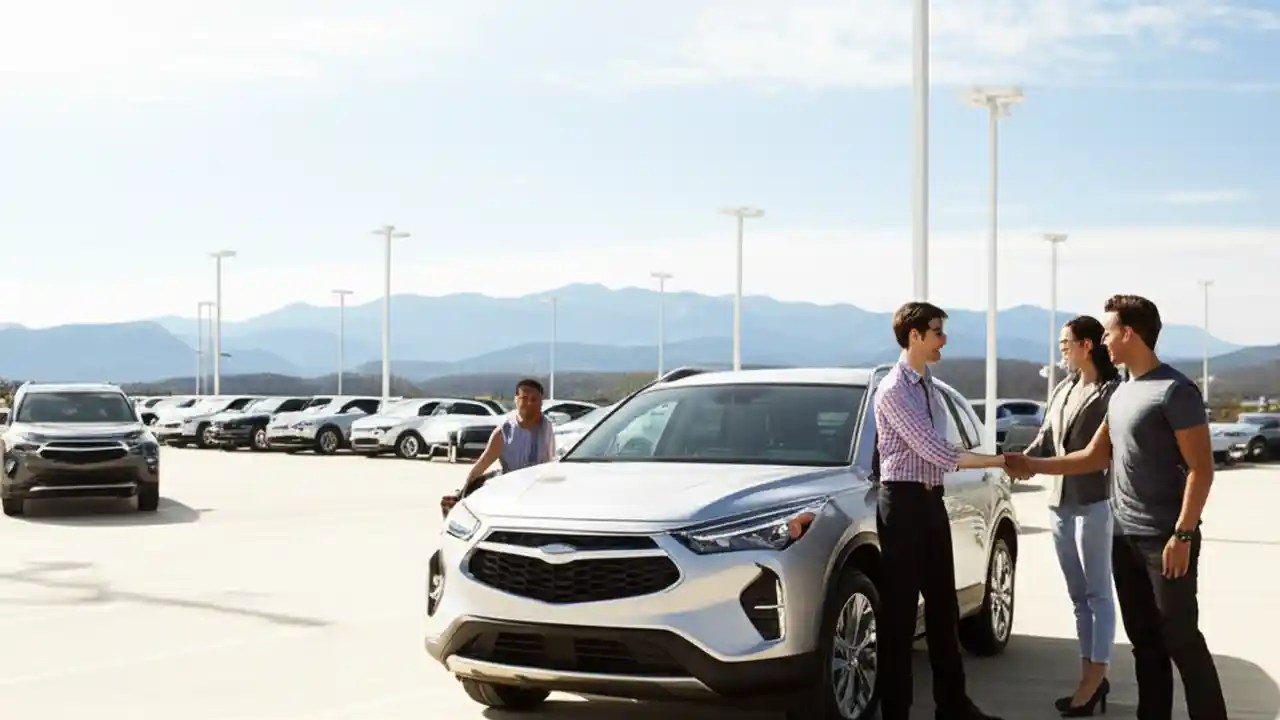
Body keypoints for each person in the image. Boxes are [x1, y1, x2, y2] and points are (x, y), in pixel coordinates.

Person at [1007, 294, 1228, 720]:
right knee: (1144, 644)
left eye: (1108, 332)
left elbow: (1202, 468)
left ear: (1129, 333)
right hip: (1122, 537)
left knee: (1180, 640)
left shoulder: (1175, 390)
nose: (1104, 340)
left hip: (1165, 539)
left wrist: (1183, 533)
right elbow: (1092, 457)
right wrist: (1030, 463)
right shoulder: (1123, 392)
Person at [874, 301, 1007, 720]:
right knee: (898, 616)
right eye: (936, 332)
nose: (943, 339)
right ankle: (896, 710)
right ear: (914, 335)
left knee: (943, 608)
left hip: (931, 503)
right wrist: (999, 461)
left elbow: (939, 454)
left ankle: (953, 706)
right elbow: (935, 450)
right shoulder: (894, 390)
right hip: (903, 505)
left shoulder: (928, 384)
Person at [1022, 316, 1122, 716]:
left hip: (1095, 502)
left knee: (1098, 593)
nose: (1062, 349)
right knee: (1079, 597)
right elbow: (1046, 440)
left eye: (1066, 343)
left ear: (1087, 345)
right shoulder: (1063, 389)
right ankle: (1088, 674)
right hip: (1059, 505)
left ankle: (1096, 676)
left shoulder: (1112, 392)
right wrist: (1014, 461)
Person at [440, 378, 557, 516]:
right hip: (511, 491)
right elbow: (482, 464)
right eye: (524, 398)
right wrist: (462, 493)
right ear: (516, 400)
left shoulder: (547, 427)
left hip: (539, 491)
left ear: (541, 402)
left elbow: (551, 461)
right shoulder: (505, 432)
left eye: (534, 399)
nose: (529, 403)